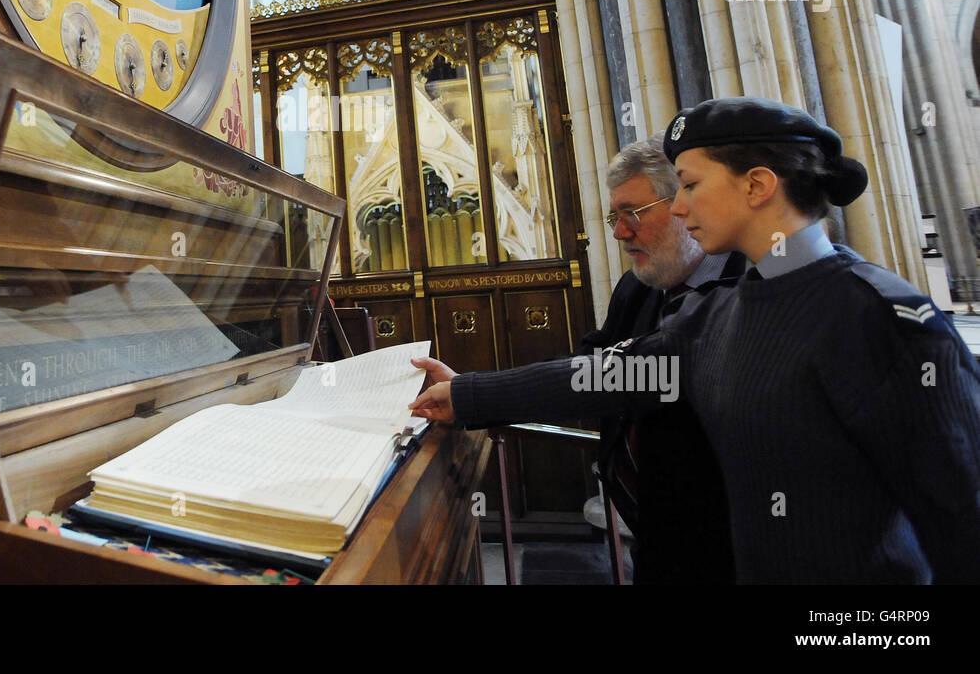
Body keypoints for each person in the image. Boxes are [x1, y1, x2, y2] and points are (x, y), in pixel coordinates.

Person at [410, 97, 980, 583]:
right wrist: (467, 396)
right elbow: (610, 373)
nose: (680, 207)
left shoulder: (884, 317)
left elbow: (961, 517)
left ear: (757, 185)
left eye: (689, 184)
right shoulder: (725, 308)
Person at [412, 136, 742, 583]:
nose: (619, 232)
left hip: (730, 540)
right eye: (613, 216)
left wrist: (471, 394)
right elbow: (588, 364)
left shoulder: (743, 291)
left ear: (686, 203)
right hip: (656, 529)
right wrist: (467, 389)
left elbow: (619, 376)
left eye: (633, 214)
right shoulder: (640, 285)